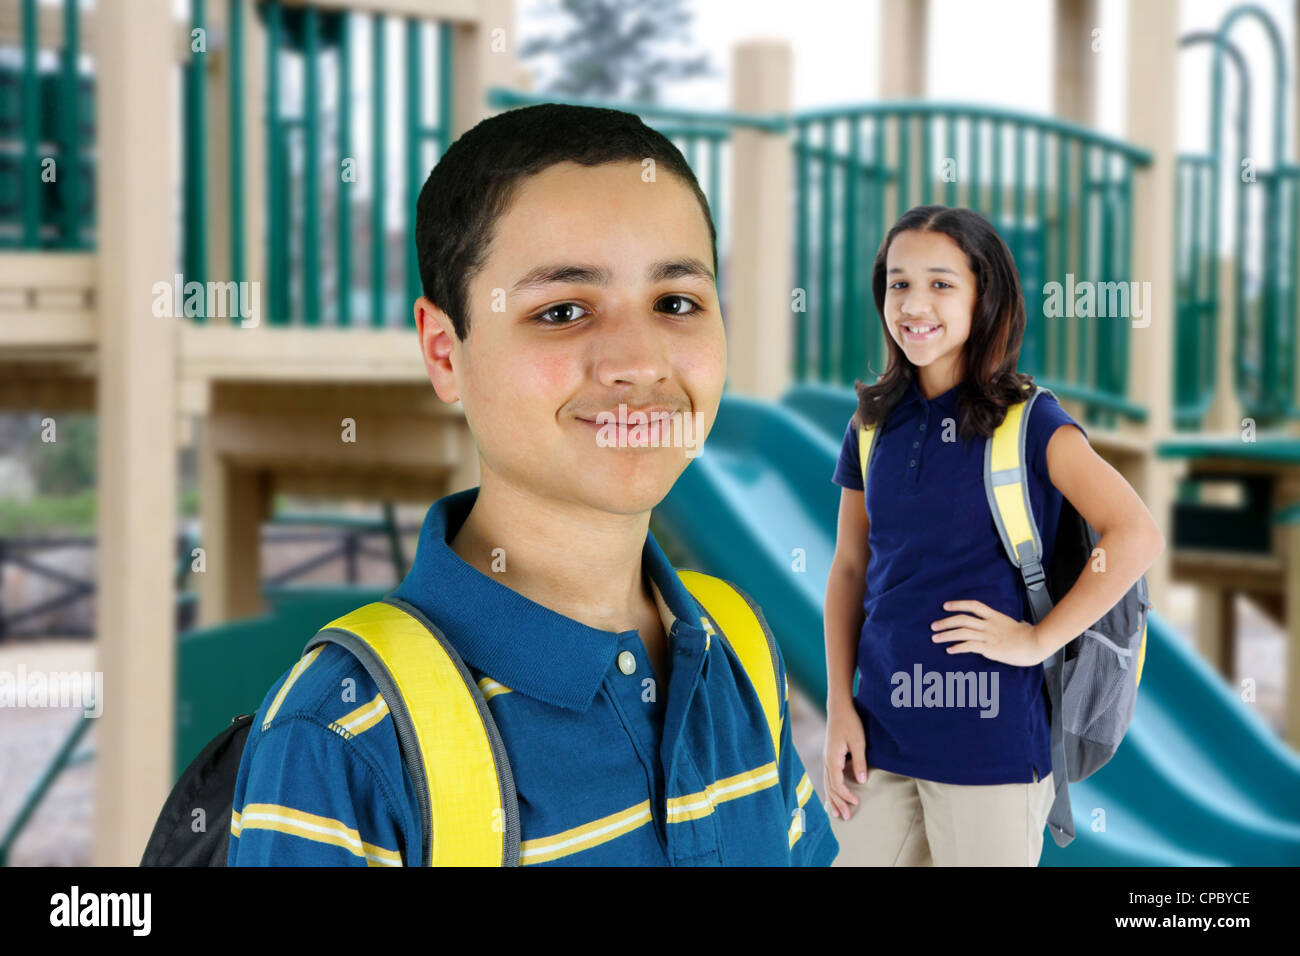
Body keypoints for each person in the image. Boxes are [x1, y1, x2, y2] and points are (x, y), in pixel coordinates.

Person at [228, 103, 836, 866]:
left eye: (675, 302)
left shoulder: (737, 647)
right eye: (563, 310)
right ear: (445, 352)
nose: (639, 361)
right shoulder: (343, 737)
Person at [821, 204, 1164, 866]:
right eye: (898, 282)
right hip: (881, 735)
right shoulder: (870, 423)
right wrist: (839, 705)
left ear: (985, 296)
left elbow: (1134, 534)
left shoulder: (1029, 422)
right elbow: (849, 570)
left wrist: (1037, 639)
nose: (913, 303)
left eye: (941, 283)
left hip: (992, 747)